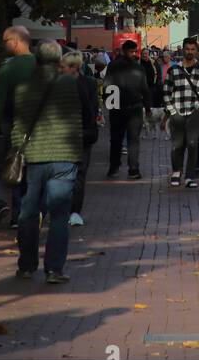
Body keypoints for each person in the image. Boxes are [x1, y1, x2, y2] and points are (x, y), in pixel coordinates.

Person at [12, 40, 82, 283]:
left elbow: (17, 124)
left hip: (33, 157)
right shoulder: (69, 84)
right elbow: (78, 117)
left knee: (28, 213)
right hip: (64, 155)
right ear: (59, 59)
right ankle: (54, 268)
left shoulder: (24, 86)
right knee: (60, 214)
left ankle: (27, 265)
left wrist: (17, 150)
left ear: (36, 58)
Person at [0, 25, 35, 227]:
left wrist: (1, 126)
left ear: (15, 42)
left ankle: (7, 209)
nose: (4, 44)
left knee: (1, 170)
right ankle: (28, 213)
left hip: (11, 127)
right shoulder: (40, 64)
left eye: (6, 41)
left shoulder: (8, 68)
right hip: (37, 128)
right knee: (30, 172)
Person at [162, 38, 199, 188]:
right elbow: (166, 92)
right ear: (183, 50)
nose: (190, 52)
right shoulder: (174, 70)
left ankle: (190, 176)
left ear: (197, 51)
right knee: (177, 145)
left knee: (193, 144)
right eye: (187, 49)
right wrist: (172, 110)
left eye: (193, 49)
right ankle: (176, 172)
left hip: (194, 112)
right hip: (177, 111)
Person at [60, 50, 99, 225]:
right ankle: (65, 208)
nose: (60, 70)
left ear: (74, 68)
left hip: (82, 134)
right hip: (68, 135)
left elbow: (92, 110)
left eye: (63, 67)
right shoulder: (59, 83)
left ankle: (75, 211)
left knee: (80, 173)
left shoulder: (87, 84)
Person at [104, 40, 150, 179]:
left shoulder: (113, 66)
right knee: (133, 139)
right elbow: (145, 88)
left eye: (135, 51)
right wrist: (147, 107)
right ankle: (133, 168)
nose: (134, 54)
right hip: (135, 106)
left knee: (116, 138)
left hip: (117, 106)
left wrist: (110, 105)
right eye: (132, 51)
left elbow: (108, 86)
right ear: (125, 51)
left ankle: (114, 166)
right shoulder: (138, 67)